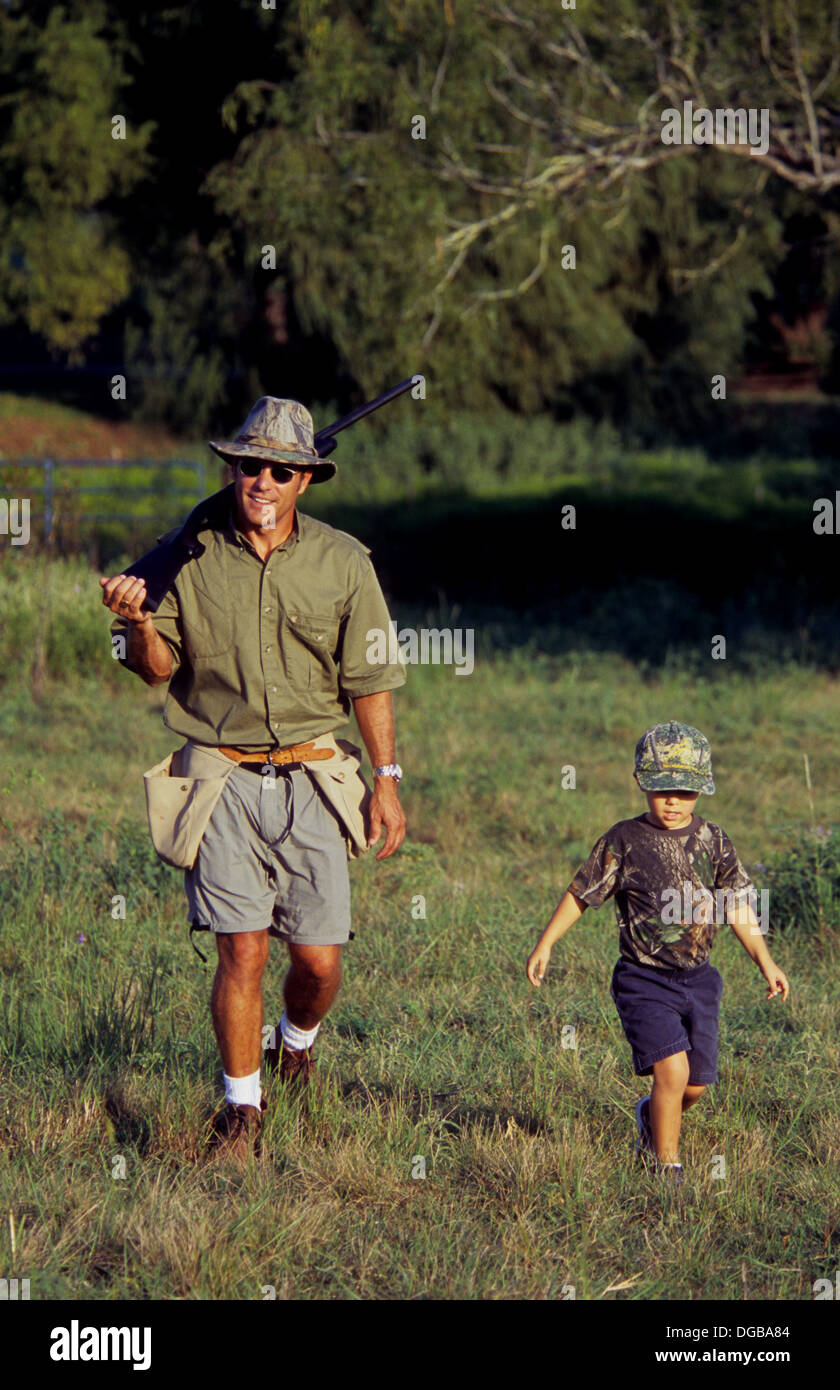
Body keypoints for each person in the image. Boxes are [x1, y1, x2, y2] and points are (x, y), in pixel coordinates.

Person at [101, 396, 407, 1162]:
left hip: (314, 773)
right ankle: (241, 1108)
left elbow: (369, 678)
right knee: (242, 950)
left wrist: (388, 779)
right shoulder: (186, 555)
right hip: (221, 774)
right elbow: (155, 671)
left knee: (319, 959)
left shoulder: (344, 562)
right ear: (232, 470)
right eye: (248, 466)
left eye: (279, 469)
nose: (261, 480)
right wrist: (138, 624)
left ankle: (295, 1043)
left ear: (305, 480)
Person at [526, 722, 790, 1185]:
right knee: (672, 1069)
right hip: (643, 980)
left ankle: (650, 1116)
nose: (672, 800)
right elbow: (582, 894)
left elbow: (739, 909)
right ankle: (665, 1166)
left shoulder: (715, 841)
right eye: (662, 789)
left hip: (700, 981)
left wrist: (766, 962)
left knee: (695, 1085)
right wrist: (546, 942)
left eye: (685, 791)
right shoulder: (623, 840)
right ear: (641, 783)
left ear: (701, 790)